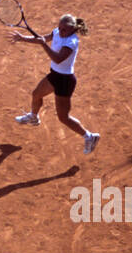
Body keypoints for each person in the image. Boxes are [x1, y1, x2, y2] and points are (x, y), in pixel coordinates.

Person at [12, 13, 100, 155]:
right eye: (59, 28)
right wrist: (23, 39)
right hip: (54, 76)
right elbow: (43, 38)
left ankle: (90, 136)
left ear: (72, 30)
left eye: (64, 30)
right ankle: (34, 117)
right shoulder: (57, 32)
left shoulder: (72, 42)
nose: (60, 31)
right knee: (36, 94)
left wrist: (43, 45)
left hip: (65, 82)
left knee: (63, 118)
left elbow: (57, 58)